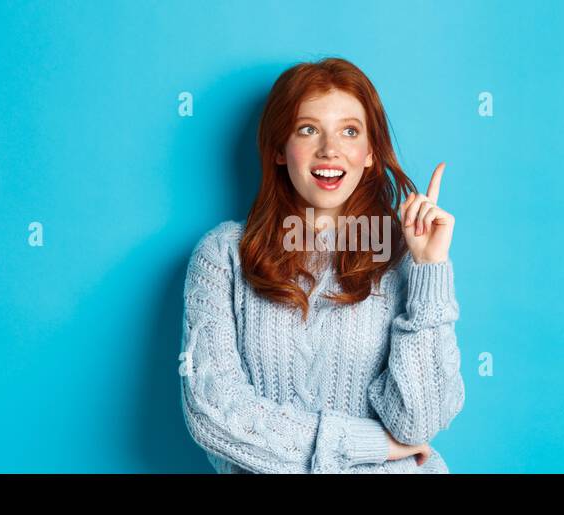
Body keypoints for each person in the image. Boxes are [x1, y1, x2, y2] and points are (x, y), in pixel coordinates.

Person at [178, 57, 463, 473]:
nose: (330, 149)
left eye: (350, 131)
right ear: (279, 148)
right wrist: (365, 444)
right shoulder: (223, 255)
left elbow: (419, 422)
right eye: (308, 129)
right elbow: (213, 413)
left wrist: (429, 269)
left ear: (369, 153)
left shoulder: (402, 257)